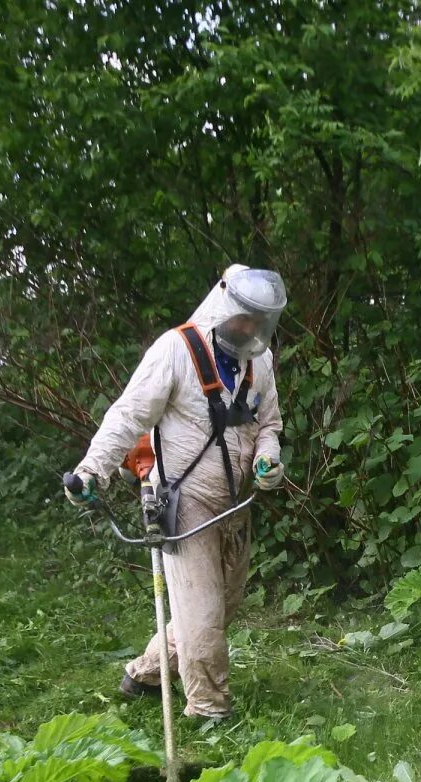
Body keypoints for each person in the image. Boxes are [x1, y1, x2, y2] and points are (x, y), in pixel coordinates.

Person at [66, 264, 288, 723]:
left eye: (260, 322)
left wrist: (268, 459)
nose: (249, 328)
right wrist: (92, 470)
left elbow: (269, 424)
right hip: (183, 502)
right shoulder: (176, 350)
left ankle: (145, 673)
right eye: (244, 317)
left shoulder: (260, 362)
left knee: (220, 606)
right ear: (224, 305)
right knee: (203, 619)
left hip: (236, 503)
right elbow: (129, 416)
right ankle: (209, 712)